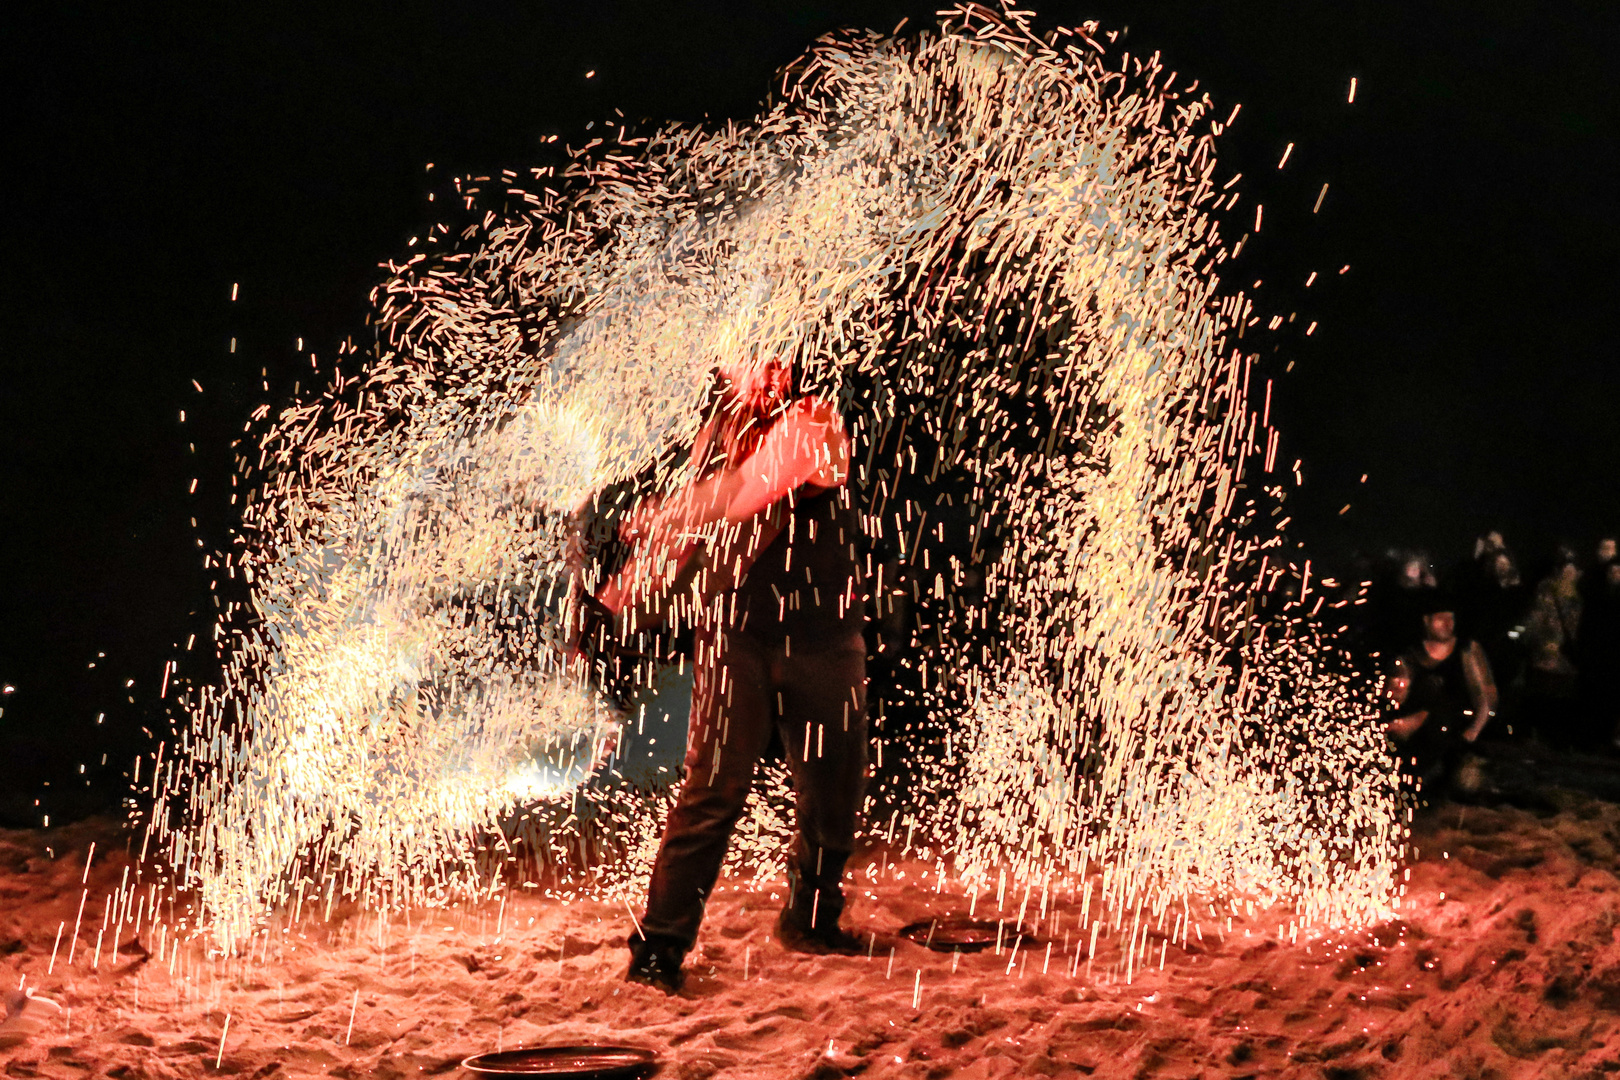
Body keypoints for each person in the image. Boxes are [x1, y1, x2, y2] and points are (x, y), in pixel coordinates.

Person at [596, 350, 868, 993]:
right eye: (753, 364)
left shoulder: (815, 421)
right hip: (734, 639)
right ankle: (660, 948)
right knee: (710, 794)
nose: (766, 378)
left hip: (825, 640)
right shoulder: (716, 438)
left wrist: (662, 514)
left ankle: (810, 920)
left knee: (834, 799)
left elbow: (744, 496)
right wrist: (619, 595)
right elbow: (695, 534)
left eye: (779, 364)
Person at [1386, 589, 1498, 795]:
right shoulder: (1411, 654)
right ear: (1427, 621)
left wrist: (1472, 733)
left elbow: (1487, 698)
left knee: (1465, 783)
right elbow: (1397, 696)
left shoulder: (1467, 650)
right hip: (1419, 735)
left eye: (1451, 619)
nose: (1448, 624)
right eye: (1441, 619)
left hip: (1455, 731)